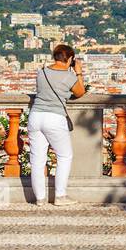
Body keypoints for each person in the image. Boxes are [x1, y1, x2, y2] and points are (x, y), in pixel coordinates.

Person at [27, 44, 86, 206]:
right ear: (71, 59)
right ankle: (60, 196)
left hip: (35, 116)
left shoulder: (42, 72)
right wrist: (78, 72)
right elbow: (80, 92)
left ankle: (40, 198)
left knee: (37, 160)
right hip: (54, 118)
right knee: (64, 156)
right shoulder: (69, 77)